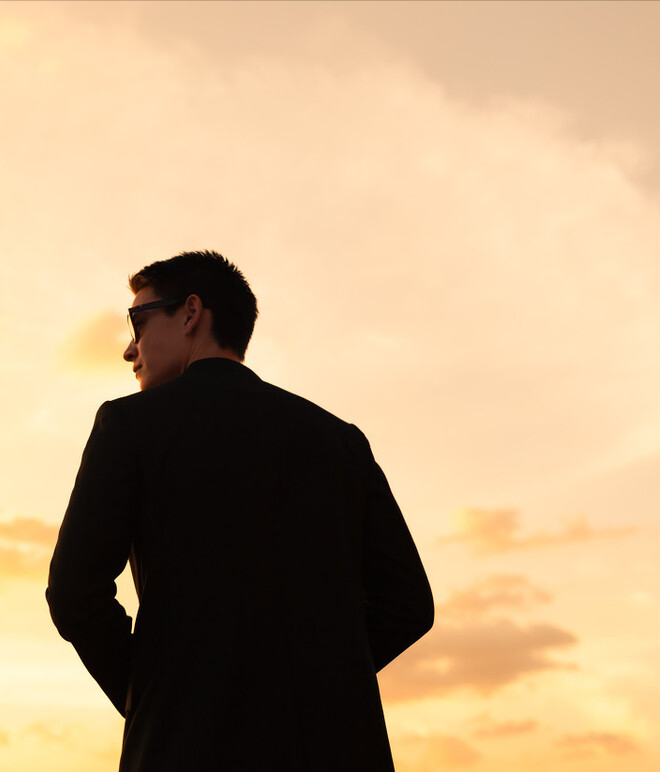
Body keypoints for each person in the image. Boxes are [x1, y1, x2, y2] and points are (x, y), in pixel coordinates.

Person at [46, 250, 433, 771]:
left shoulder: (130, 426)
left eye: (138, 321)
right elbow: (408, 604)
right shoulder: (340, 442)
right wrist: (324, 684)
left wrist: (153, 697)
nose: (129, 349)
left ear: (190, 313)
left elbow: (73, 593)